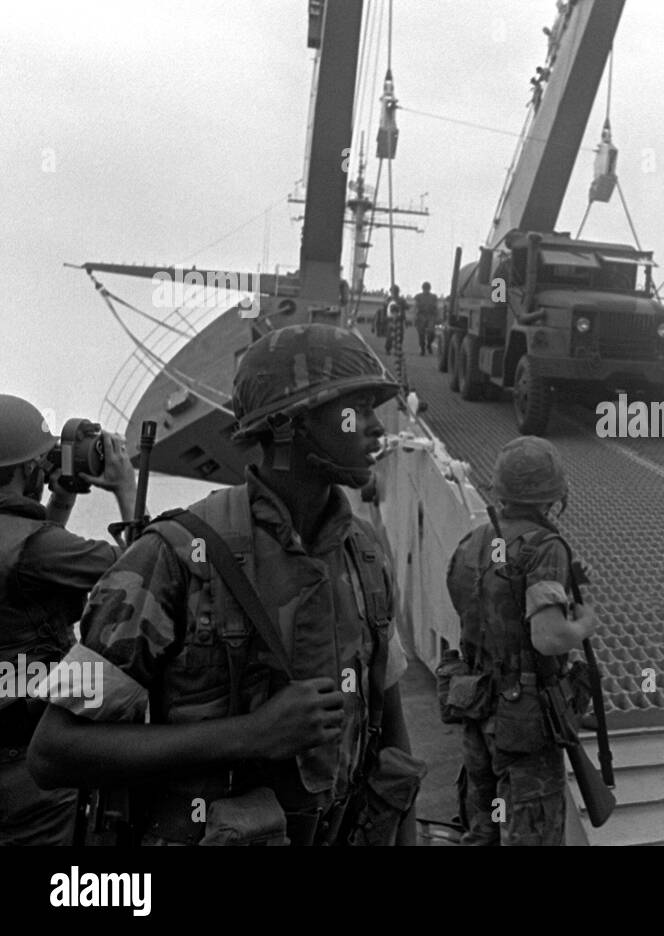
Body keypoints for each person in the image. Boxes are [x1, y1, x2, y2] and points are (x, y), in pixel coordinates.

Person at [29, 325, 424, 846]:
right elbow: (55, 750)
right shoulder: (172, 556)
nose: (377, 428)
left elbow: (391, 732)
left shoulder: (365, 553)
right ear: (290, 425)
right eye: (356, 410)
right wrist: (253, 734)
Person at [445, 436, 600, 846]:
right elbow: (549, 638)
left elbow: (477, 601)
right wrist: (583, 623)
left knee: (483, 830)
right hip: (523, 722)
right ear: (553, 494)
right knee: (531, 831)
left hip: (476, 704)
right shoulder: (546, 547)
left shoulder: (473, 542)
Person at [0, 395, 137, 845]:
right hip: (28, 765)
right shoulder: (37, 549)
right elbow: (144, 570)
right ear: (28, 470)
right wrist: (125, 488)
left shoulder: (29, 545)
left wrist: (58, 502)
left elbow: (29, 575)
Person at [414, 282, 438, 357]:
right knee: (421, 334)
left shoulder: (433, 297)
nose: (426, 290)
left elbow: (436, 307)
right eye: (425, 289)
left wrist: (437, 316)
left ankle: (429, 344)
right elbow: (415, 307)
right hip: (421, 316)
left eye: (427, 288)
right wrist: (415, 317)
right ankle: (422, 349)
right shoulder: (418, 296)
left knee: (432, 333)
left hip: (430, 315)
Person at [384, 285, 408, 356]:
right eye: (393, 291)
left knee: (399, 335)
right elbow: (385, 307)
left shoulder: (401, 300)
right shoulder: (388, 299)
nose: (394, 293)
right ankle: (388, 349)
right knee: (390, 336)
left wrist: (399, 306)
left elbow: (407, 307)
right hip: (390, 320)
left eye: (395, 291)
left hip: (399, 320)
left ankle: (398, 349)